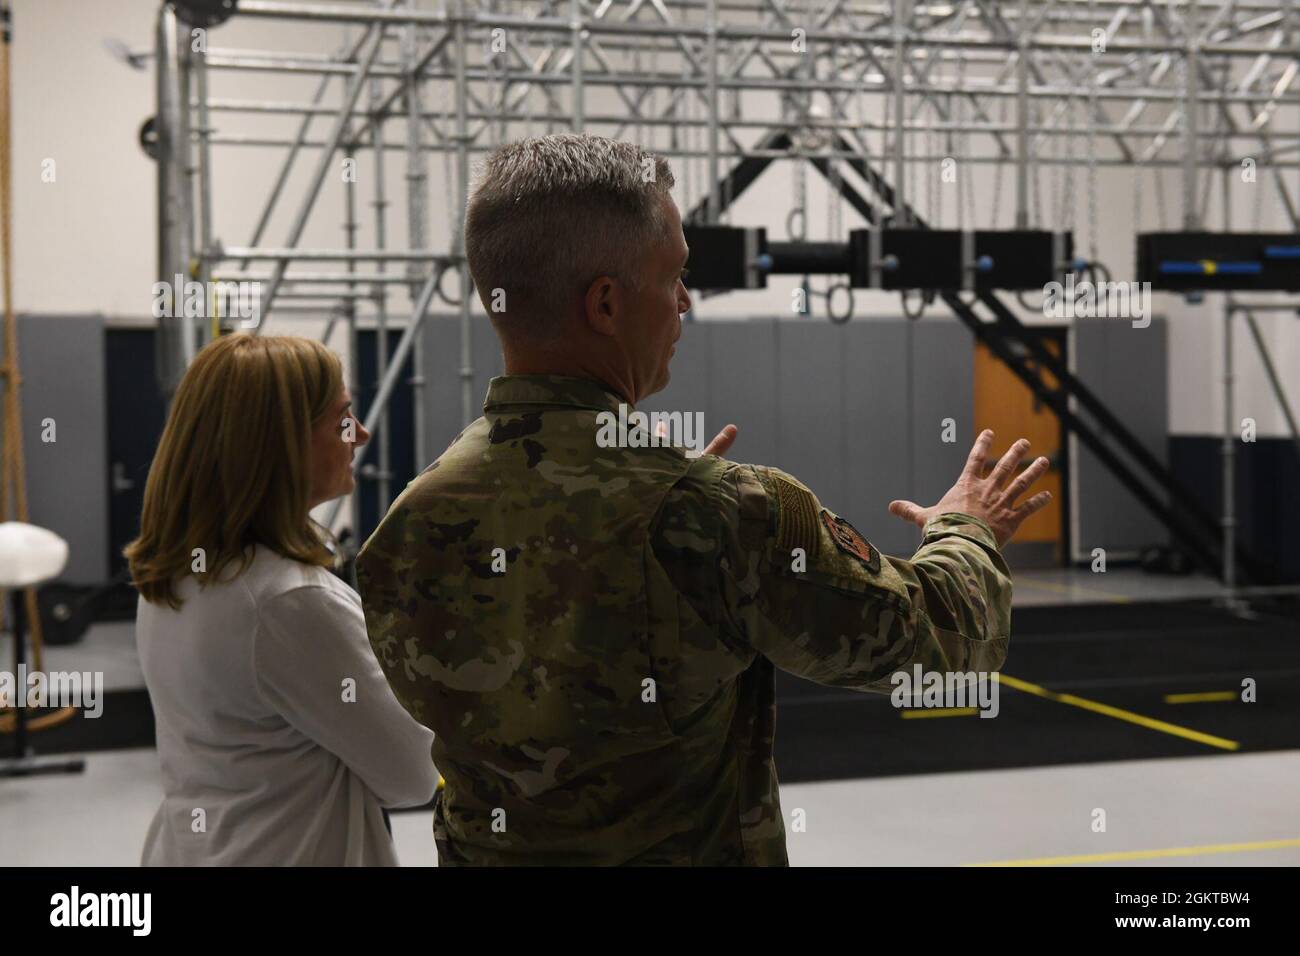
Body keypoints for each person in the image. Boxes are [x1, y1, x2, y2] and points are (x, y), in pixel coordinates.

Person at [356, 134, 1051, 866]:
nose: (685, 301)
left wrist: (678, 514)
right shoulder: (724, 515)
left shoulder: (408, 523)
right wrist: (967, 527)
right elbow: (940, 649)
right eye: (676, 275)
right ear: (604, 303)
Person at [127, 333, 436, 866]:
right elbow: (413, 775)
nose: (360, 434)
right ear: (280, 442)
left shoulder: (175, 573)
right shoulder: (288, 602)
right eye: (342, 418)